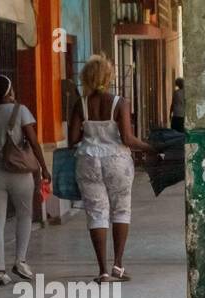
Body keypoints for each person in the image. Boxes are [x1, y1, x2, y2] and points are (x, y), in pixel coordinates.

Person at [68, 54, 155, 282]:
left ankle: (103, 271)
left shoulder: (81, 104)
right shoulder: (119, 103)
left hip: (88, 161)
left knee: (97, 213)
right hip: (117, 161)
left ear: (86, 77)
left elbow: (72, 139)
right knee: (121, 210)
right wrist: (150, 147)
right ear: (108, 77)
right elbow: (127, 138)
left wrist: (92, 133)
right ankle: (118, 265)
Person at [0, 75, 50, 285]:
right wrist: (44, 168)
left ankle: (0, 271)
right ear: (9, 90)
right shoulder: (20, 110)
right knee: (25, 215)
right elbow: (34, 142)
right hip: (19, 172)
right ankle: (20, 261)